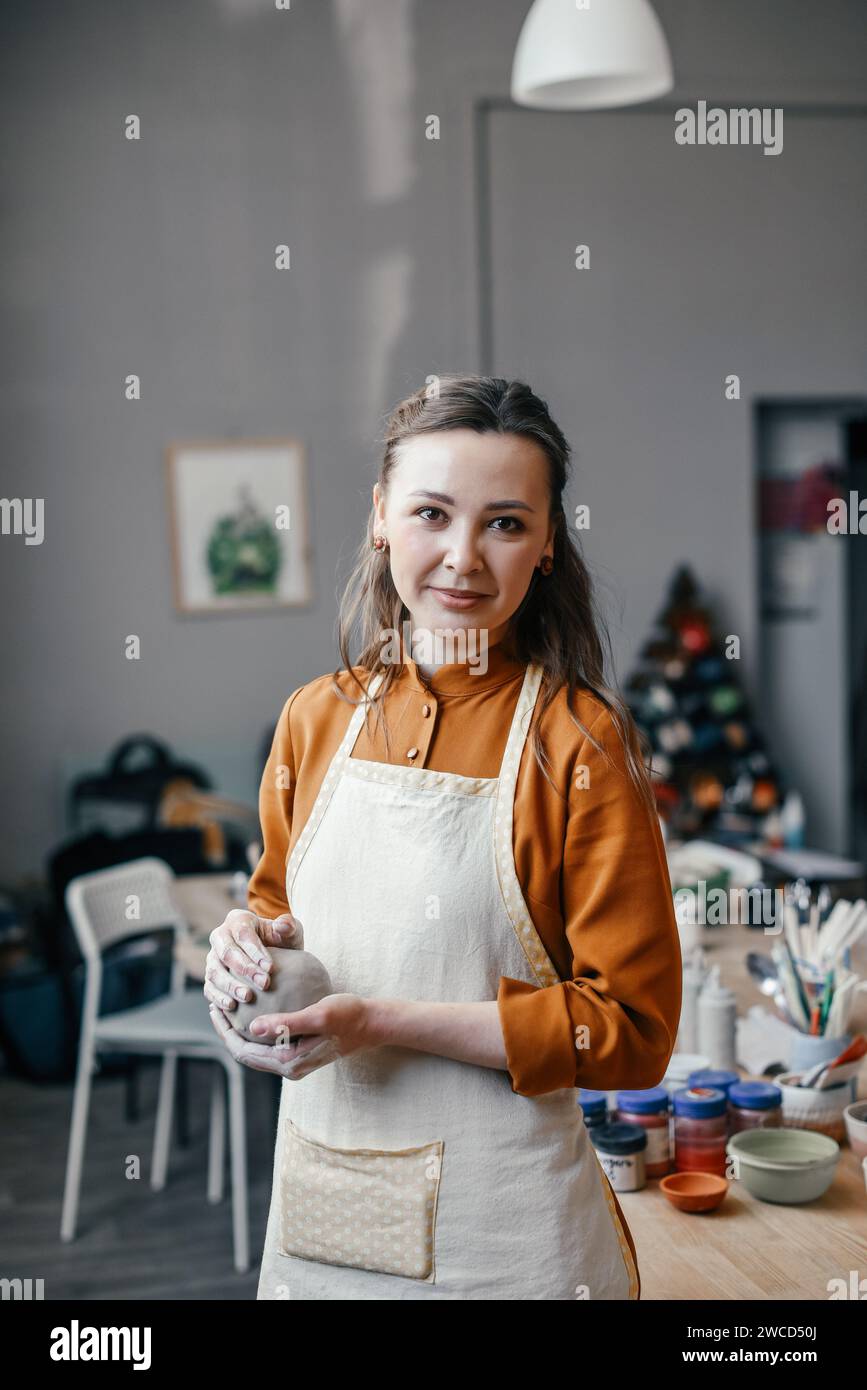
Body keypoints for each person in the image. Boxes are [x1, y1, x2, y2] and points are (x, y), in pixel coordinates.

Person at [206, 375, 682, 1300]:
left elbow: (631, 1032)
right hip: (323, 1222)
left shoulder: (579, 743)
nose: (463, 558)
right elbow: (277, 915)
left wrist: (378, 1021)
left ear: (546, 546)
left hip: (506, 1243)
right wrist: (238, 958)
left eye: (505, 523)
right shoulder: (314, 719)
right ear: (381, 516)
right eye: (432, 512)